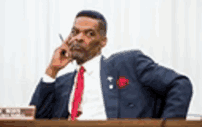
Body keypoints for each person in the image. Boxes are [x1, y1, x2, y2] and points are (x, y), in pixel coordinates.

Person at [29, 10, 193, 120]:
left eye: (89, 34)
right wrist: (52, 70)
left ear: (103, 42)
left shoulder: (128, 64)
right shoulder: (61, 83)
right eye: (74, 32)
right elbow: (36, 118)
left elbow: (180, 85)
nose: (79, 38)